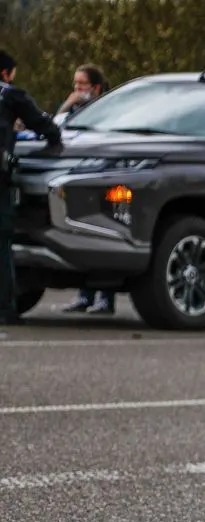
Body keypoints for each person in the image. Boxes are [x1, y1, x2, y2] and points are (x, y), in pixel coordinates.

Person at [0, 50, 61, 326]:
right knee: (2, 241)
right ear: (6, 73)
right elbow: (44, 126)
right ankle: (5, 308)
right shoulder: (10, 95)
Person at [57, 64, 114, 315]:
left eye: (82, 85)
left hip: (103, 180)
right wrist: (67, 105)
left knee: (104, 238)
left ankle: (106, 298)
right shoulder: (75, 112)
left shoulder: (109, 110)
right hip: (79, 179)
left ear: (96, 88)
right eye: (75, 85)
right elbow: (56, 126)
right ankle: (84, 295)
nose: (78, 90)